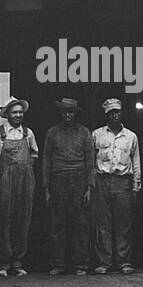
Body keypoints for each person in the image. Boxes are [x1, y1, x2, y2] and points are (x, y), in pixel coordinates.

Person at [0, 96, 39, 277]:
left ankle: (17, 262)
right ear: (7, 114)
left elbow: (34, 154)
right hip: (4, 182)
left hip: (24, 182)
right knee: (3, 220)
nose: (18, 115)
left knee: (22, 220)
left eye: (20, 112)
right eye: (14, 112)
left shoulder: (28, 133)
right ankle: (3, 263)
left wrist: (26, 172)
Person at [43, 97, 95, 275]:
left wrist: (89, 186)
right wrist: (46, 187)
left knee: (80, 223)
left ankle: (81, 264)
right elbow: (46, 160)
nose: (68, 115)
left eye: (71, 112)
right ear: (60, 112)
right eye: (65, 111)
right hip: (58, 178)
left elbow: (90, 161)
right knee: (58, 222)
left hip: (79, 178)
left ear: (75, 113)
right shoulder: (52, 133)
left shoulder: (84, 133)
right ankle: (58, 264)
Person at [91, 98, 141, 274]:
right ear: (106, 115)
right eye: (111, 113)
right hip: (102, 181)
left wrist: (136, 186)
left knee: (123, 224)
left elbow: (136, 162)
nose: (114, 115)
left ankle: (124, 261)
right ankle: (104, 262)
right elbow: (90, 162)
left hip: (123, 182)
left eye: (117, 112)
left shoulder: (131, 136)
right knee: (103, 223)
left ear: (121, 113)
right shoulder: (96, 135)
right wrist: (91, 185)